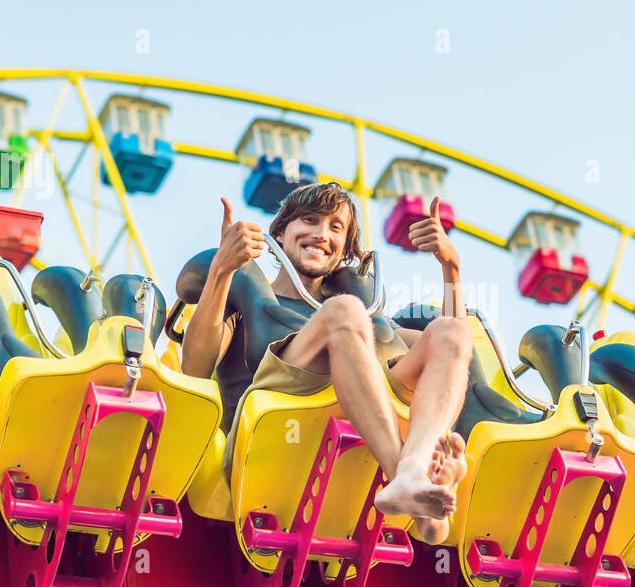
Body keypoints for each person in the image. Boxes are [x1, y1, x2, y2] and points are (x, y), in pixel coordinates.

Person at [181, 181, 472, 544]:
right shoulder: (246, 298)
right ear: (280, 232)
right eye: (310, 220)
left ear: (343, 251)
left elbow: (453, 359)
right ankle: (407, 476)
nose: (321, 234)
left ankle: (413, 471)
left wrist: (451, 268)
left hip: (357, 429)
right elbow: (193, 369)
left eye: (336, 227)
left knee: (452, 333)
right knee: (343, 312)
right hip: (271, 431)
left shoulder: (368, 319)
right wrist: (221, 271)